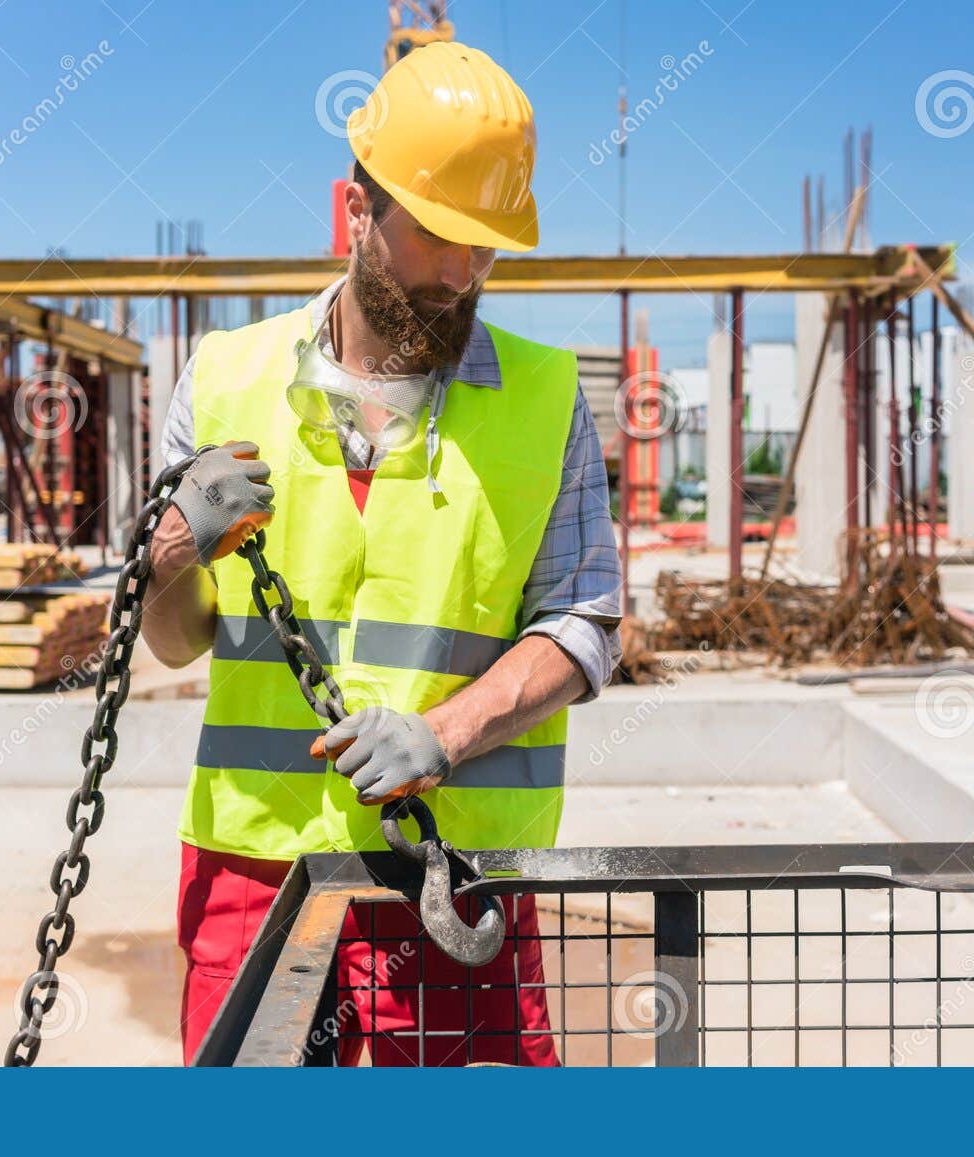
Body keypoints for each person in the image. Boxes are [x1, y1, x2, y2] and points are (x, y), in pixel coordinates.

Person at [141, 41, 620, 1066]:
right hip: (255, 865)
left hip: (455, 868)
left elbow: (584, 624)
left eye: (488, 248)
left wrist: (445, 732)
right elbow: (175, 643)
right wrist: (171, 551)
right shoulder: (227, 377)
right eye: (440, 236)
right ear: (356, 211)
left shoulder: (543, 396)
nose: (462, 274)